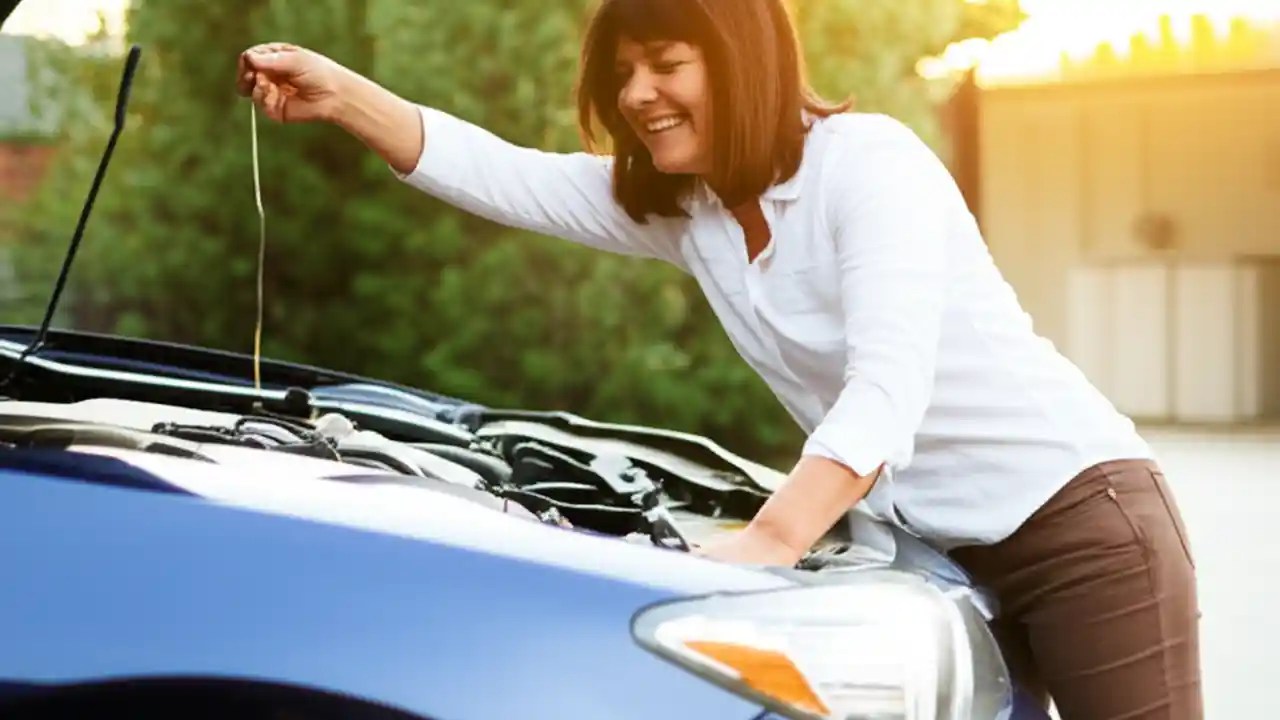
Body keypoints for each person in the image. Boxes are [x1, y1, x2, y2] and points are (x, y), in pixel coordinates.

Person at [236, 0, 1201, 717]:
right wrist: (346, 97)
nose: (635, 94)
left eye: (664, 63)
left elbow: (886, 390)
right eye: (623, 73)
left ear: (739, 62)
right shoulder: (688, 210)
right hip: (937, 551)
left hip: (1082, 530)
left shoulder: (868, 164)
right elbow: (511, 176)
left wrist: (770, 541)